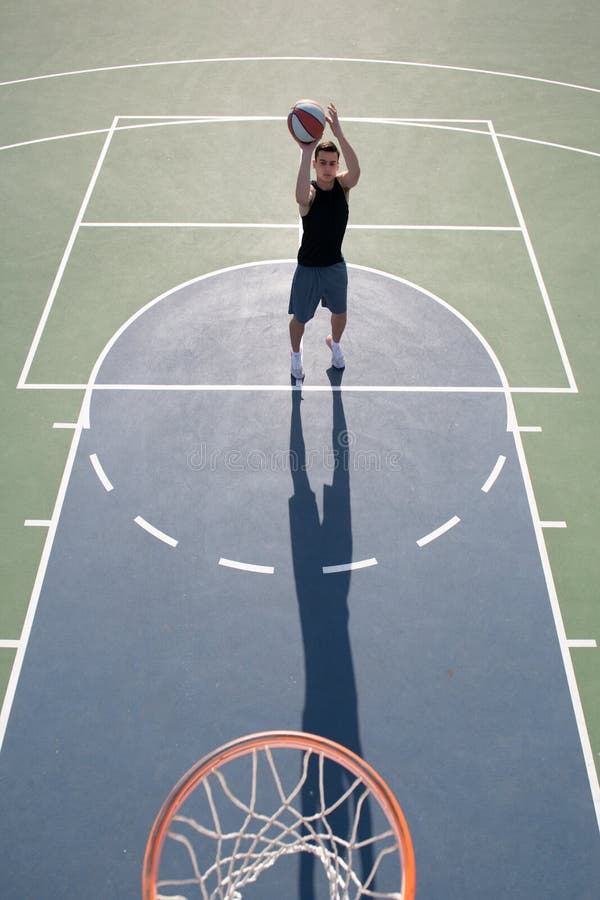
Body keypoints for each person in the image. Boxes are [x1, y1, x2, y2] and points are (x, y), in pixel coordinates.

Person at [289, 103, 361, 381]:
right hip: (308, 269)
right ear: (316, 165)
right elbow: (299, 197)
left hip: (334, 266)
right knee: (300, 320)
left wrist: (340, 134)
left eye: (332, 163)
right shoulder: (310, 192)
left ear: (337, 165)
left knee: (340, 315)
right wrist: (306, 151)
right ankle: (296, 355)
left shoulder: (343, 187)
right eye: (323, 163)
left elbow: (356, 172)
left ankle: (336, 343)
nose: (328, 168)